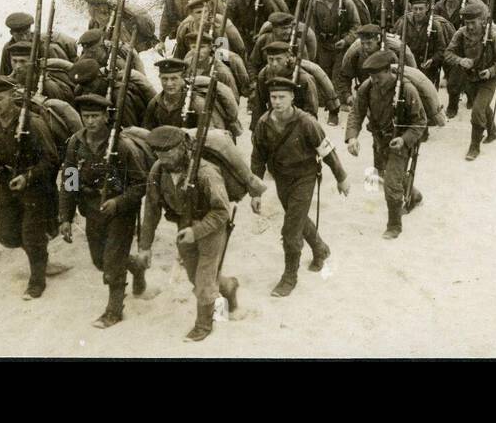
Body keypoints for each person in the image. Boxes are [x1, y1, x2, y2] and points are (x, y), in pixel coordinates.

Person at [134, 126, 240, 342]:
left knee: (203, 278)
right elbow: (152, 209)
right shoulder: (158, 170)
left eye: (169, 152)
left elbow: (222, 211)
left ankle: (203, 325)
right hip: (183, 226)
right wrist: (145, 246)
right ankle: (228, 286)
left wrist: (197, 230)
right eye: (159, 154)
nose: (164, 158)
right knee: (195, 275)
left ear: (182, 148)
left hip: (211, 227)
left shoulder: (205, 172)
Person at [250, 78, 350, 296]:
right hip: (281, 178)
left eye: (281, 97)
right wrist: (255, 192)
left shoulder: (306, 122)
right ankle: (320, 248)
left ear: (293, 97)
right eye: (273, 97)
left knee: (291, 227)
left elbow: (327, 152)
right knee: (298, 217)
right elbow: (257, 158)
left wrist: (341, 177)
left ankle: (289, 277)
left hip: (304, 177)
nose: (276, 102)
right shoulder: (263, 123)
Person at [58, 94, 149, 328]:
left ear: (105, 117)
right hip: (91, 208)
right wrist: (65, 218)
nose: (90, 122)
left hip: (120, 211)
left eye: (95, 116)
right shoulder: (76, 144)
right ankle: (136, 265)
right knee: (100, 260)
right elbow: (70, 182)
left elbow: (140, 184)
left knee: (112, 263)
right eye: (86, 116)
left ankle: (114, 310)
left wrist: (118, 202)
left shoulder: (120, 145)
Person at [0, 76, 60, 299]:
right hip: (6, 183)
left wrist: (28, 176)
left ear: (12, 97)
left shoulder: (32, 123)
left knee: (31, 234)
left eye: (0, 98)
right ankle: (40, 256)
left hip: (35, 187)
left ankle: (37, 280)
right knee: (8, 236)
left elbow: (51, 159)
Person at [345, 49, 426, 239]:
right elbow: (356, 113)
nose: (374, 80)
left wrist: (404, 139)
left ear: (389, 71)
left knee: (390, 184)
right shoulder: (367, 87)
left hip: (401, 142)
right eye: (371, 76)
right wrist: (352, 137)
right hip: (379, 140)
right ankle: (414, 195)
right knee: (382, 174)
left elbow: (420, 122)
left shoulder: (406, 90)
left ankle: (394, 225)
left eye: (378, 76)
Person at [443, 3, 496, 160]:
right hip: (470, 77)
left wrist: (490, 71)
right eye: (467, 23)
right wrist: (460, 60)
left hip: (489, 78)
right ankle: (492, 131)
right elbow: (448, 53)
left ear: (482, 21)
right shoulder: (461, 34)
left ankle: (474, 146)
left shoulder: (492, 36)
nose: (470, 26)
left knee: (477, 110)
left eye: (473, 22)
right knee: (481, 106)